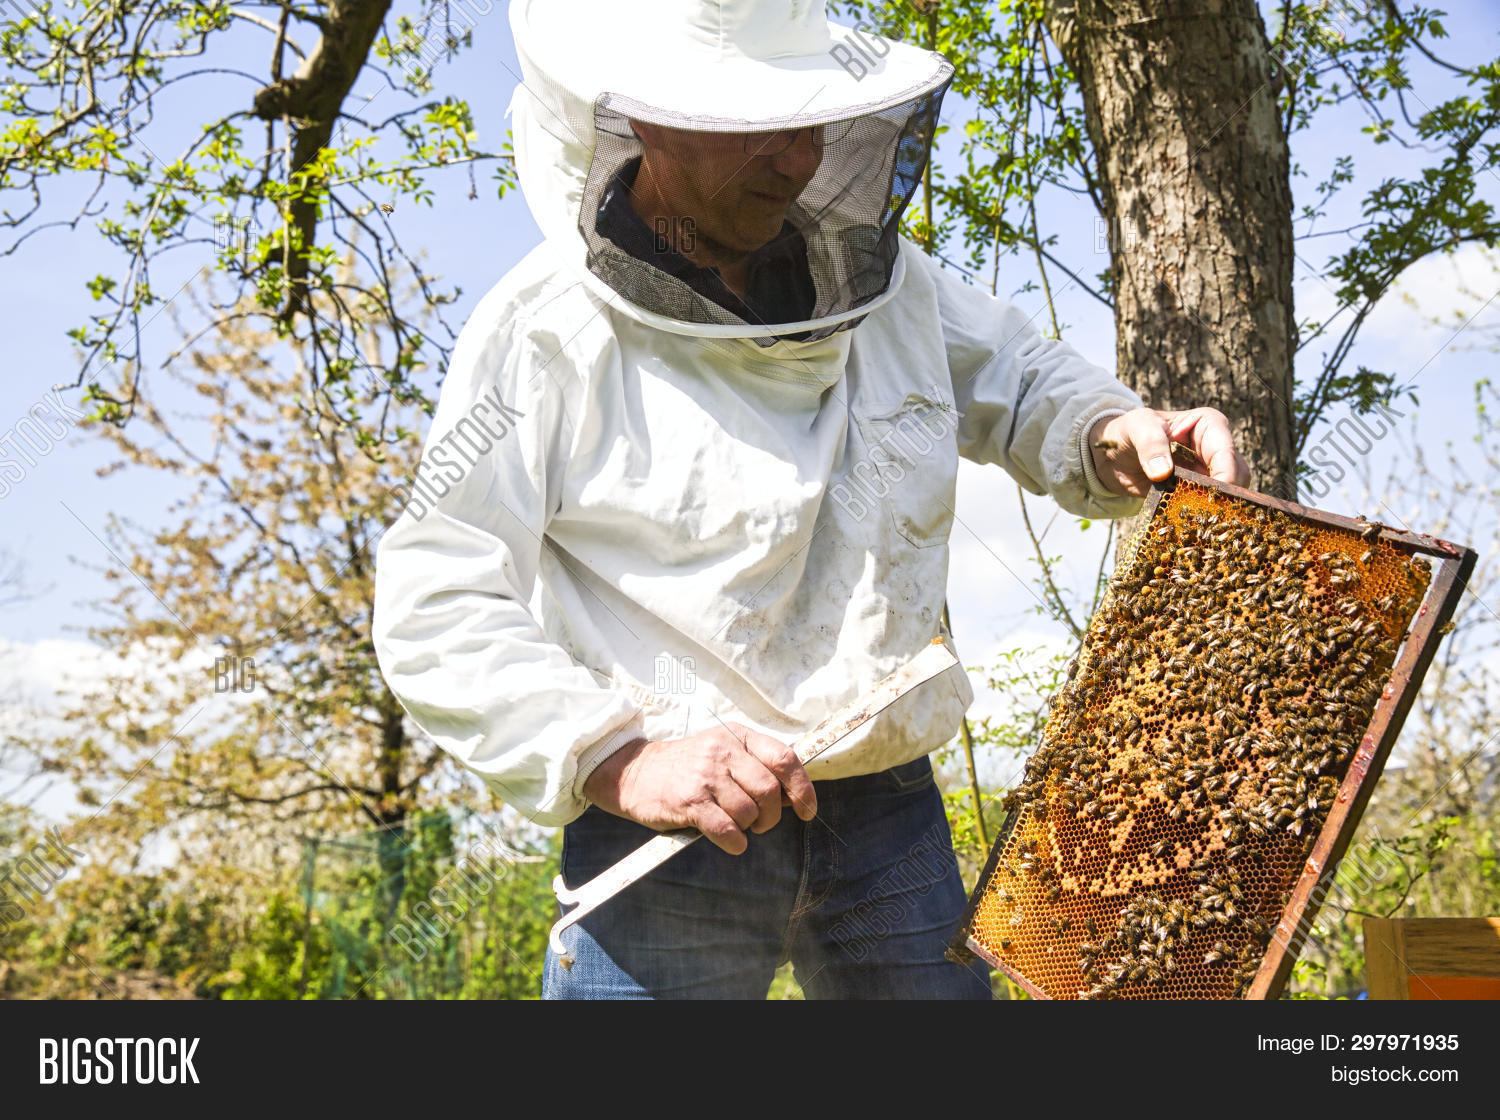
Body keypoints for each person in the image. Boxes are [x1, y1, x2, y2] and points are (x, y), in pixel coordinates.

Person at [372, 0, 1250, 1000]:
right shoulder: (541, 333)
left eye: (812, 121)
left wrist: (1112, 426)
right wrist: (619, 761)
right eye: (761, 126)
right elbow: (435, 589)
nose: (798, 161)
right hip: (668, 824)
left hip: (886, 812)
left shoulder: (884, 285)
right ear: (651, 121)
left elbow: (1017, 369)